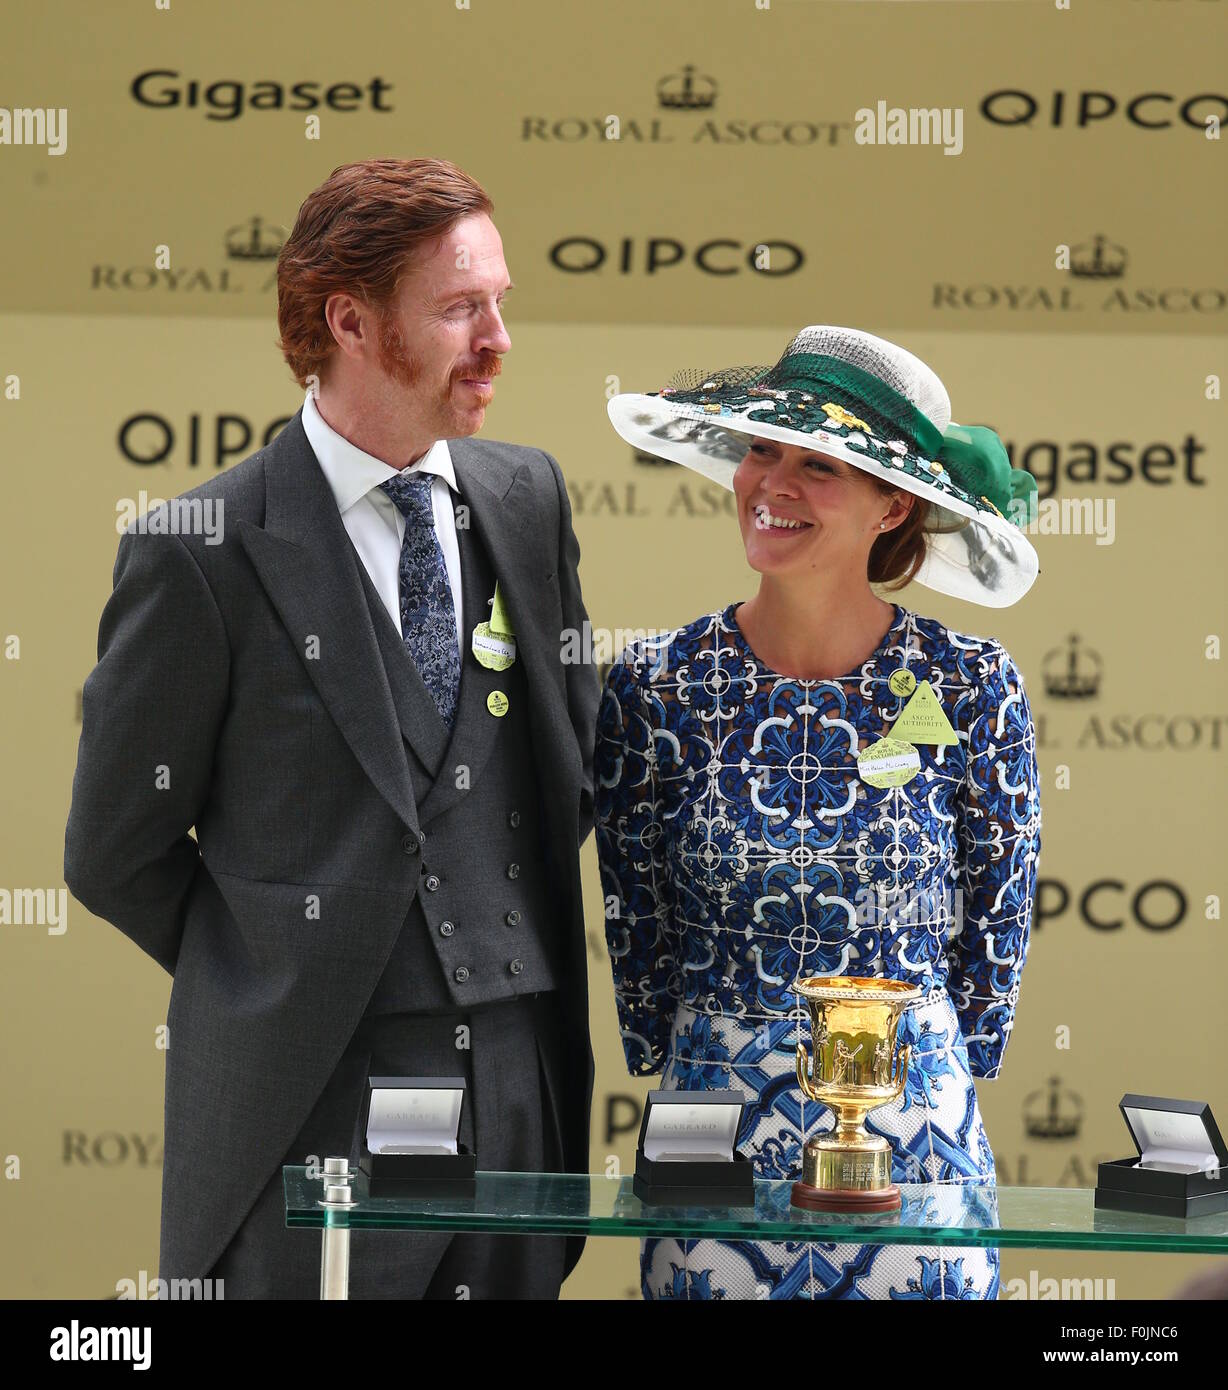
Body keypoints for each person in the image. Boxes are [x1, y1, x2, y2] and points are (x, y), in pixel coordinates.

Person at [64, 157, 600, 1299]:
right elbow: (115, 851)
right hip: (314, 1099)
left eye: (500, 301)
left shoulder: (526, 497)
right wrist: (286, 963)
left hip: (521, 1091)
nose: (499, 338)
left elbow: (566, 766)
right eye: (461, 309)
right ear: (350, 321)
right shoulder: (201, 548)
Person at [596, 324, 1043, 1299]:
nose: (774, 483)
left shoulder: (971, 685)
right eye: (762, 448)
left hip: (915, 1145)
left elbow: (996, 926)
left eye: (822, 464)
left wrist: (929, 1059)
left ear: (895, 503)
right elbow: (638, 930)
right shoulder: (655, 683)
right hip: (709, 1133)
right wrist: (690, 1051)